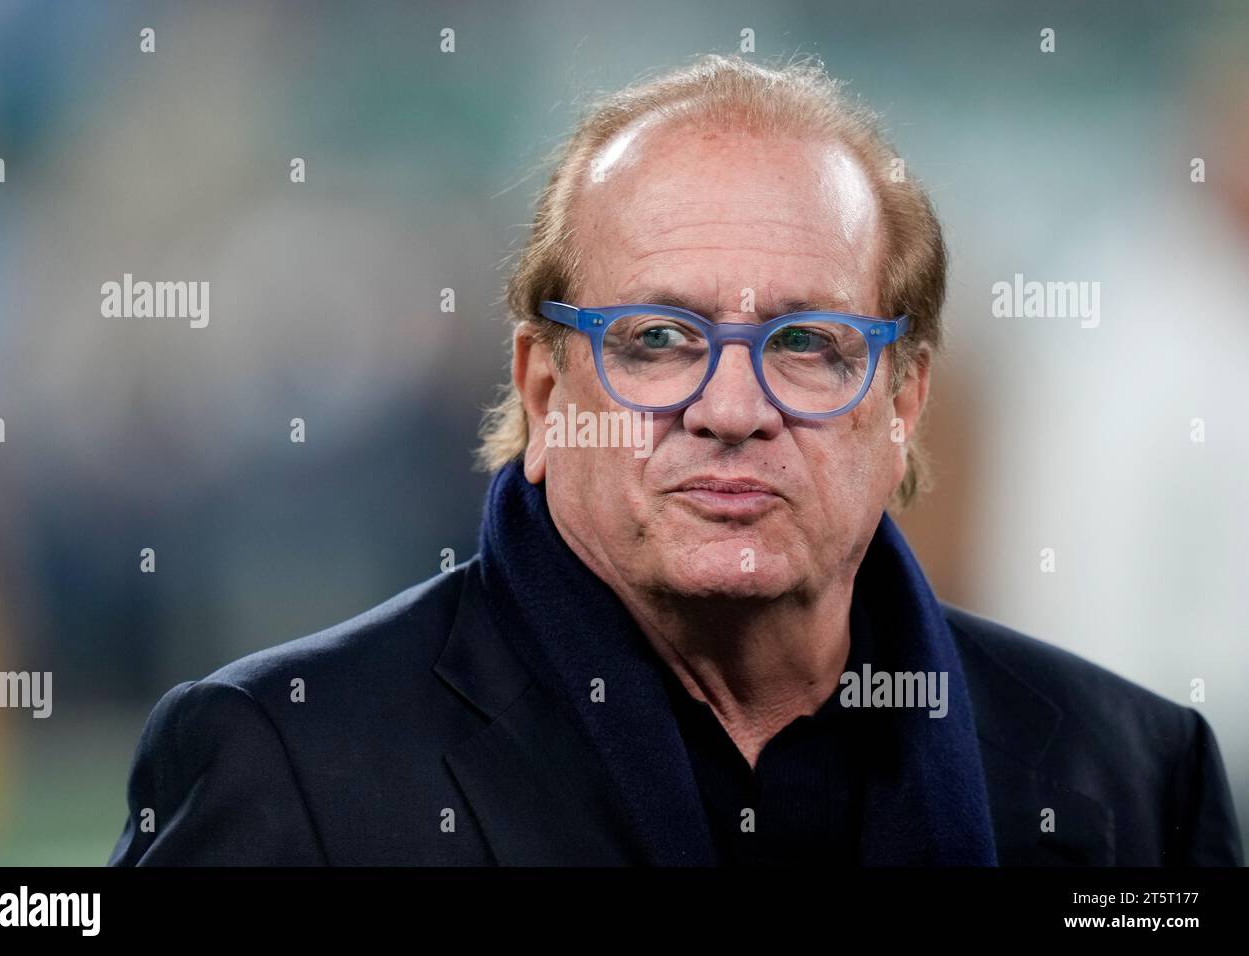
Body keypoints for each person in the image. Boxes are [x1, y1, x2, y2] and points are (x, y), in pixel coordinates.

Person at [108, 53, 1241, 866]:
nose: (732, 407)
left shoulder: (1134, 778)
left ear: (905, 402)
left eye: (806, 343)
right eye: (658, 340)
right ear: (545, 394)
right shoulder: (287, 759)